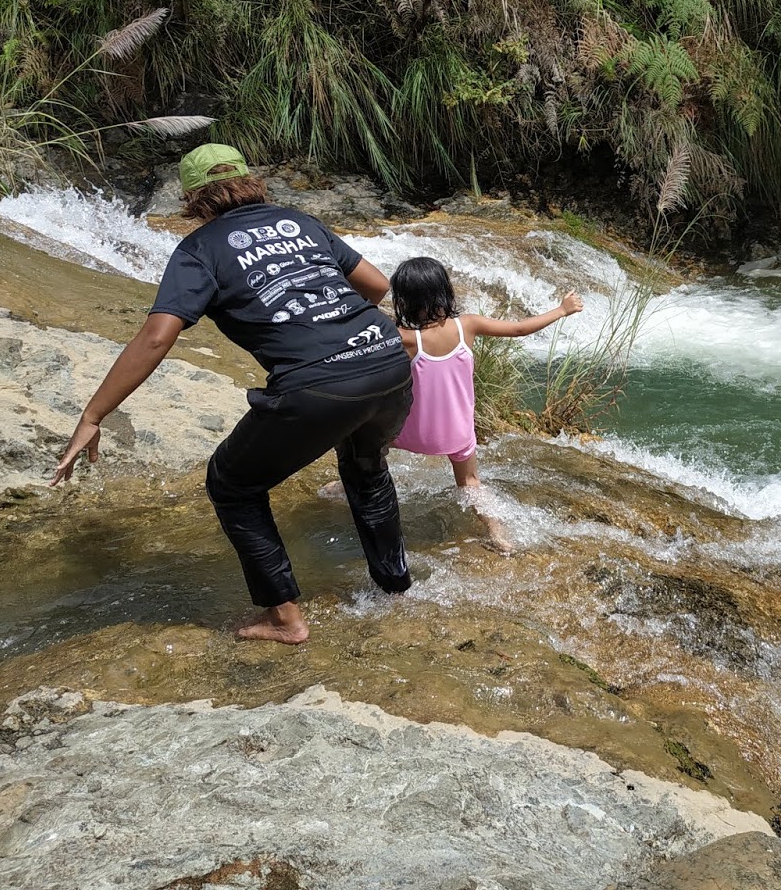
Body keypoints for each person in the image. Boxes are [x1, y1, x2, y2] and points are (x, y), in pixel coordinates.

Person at [50, 143, 414, 645]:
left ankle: (286, 619)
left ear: (192, 197)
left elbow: (156, 337)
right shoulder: (298, 221)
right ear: (249, 180)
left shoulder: (199, 249)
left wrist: (93, 414)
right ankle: (395, 587)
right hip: (388, 360)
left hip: (318, 383)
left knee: (231, 483)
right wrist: (333, 318)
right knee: (365, 466)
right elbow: (376, 285)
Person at [324, 256, 582, 555]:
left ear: (403, 301)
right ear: (446, 291)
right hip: (457, 434)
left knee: (369, 445)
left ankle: (344, 486)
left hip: (412, 433)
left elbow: (357, 330)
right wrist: (562, 310)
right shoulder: (467, 326)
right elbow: (520, 330)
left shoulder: (404, 337)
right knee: (470, 482)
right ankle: (497, 534)